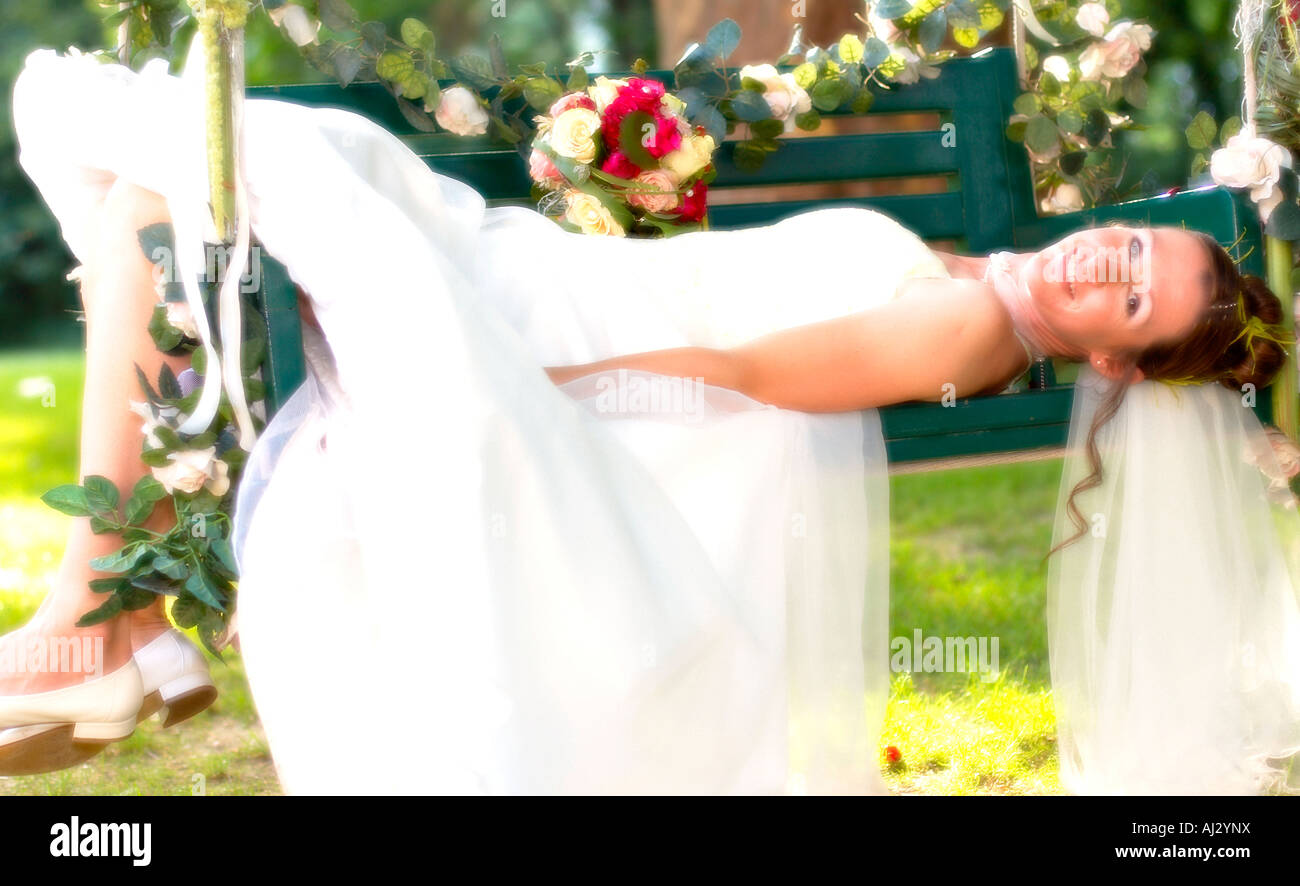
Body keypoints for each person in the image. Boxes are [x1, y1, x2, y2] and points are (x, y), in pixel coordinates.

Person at [4, 40, 1298, 793]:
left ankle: (92, 616)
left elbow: (743, 376)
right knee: (181, 196)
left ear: (1118, 365)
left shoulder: (966, 330)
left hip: (557, 325)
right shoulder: (975, 287)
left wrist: (524, 388)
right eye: (1133, 245)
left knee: (184, 197)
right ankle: (112, 627)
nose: (1104, 264)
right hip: (551, 277)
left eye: (1131, 299)